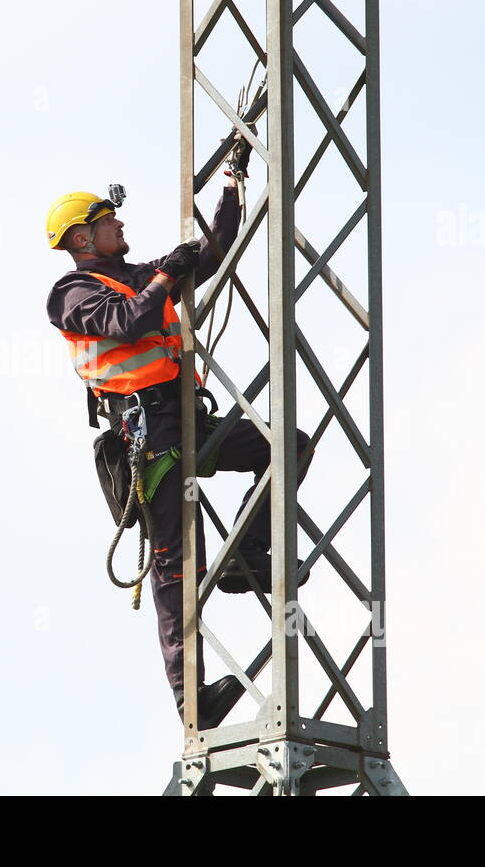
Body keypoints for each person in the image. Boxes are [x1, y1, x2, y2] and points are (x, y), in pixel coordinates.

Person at [44, 166, 313, 730]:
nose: (118, 225)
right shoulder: (72, 294)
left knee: (286, 445)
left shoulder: (139, 274)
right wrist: (166, 276)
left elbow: (212, 252)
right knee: (174, 563)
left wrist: (232, 185)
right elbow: (127, 320)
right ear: (81, 239)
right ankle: (192, 697)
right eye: (106, 221)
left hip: (185, 423)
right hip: (147, 436)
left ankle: (246, 556)